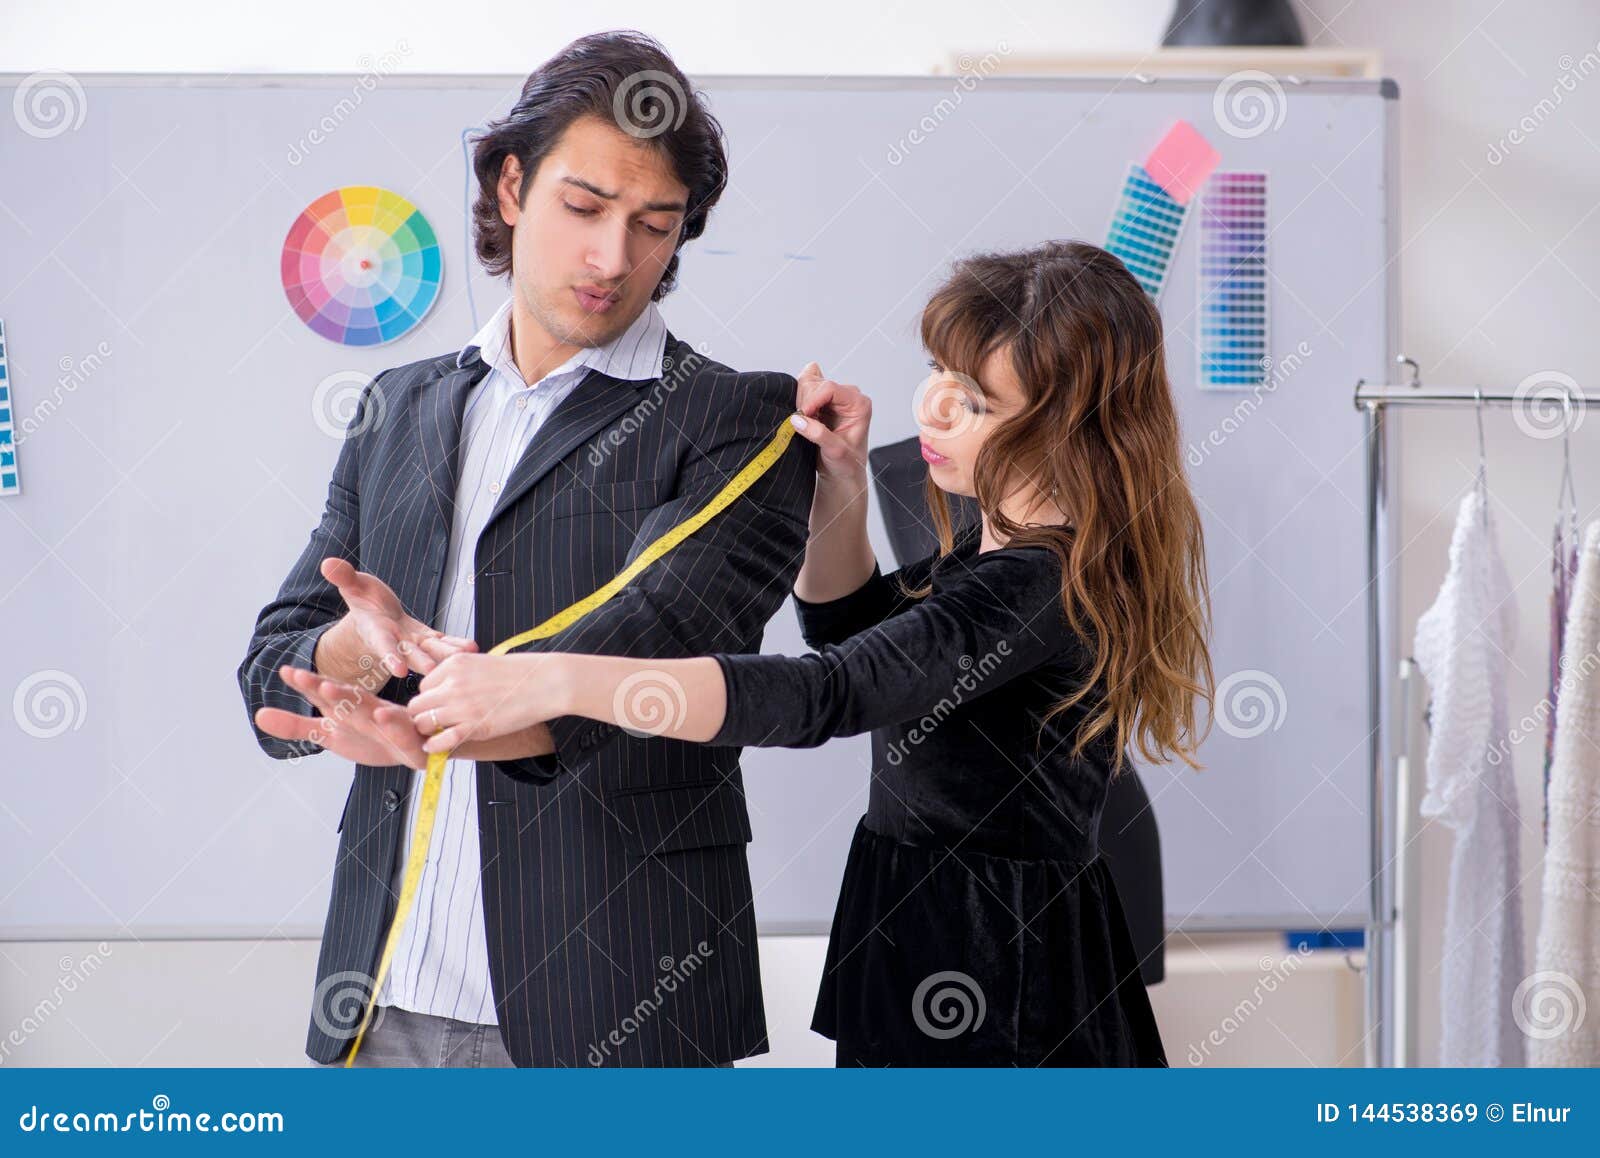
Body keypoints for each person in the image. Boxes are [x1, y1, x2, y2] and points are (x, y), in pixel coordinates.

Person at [281, 240, 1216, 1066]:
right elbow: (855, 634)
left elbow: (827, 694)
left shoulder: (1036, 583)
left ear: (1065, 427)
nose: (931, 413)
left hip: (999, 957)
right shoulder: (995, 542)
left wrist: (552, 677)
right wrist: (841, 486)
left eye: (972, 401)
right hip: (921, 910)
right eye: (939, 376)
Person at [240, 30, 816, 1068]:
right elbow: (272, 670)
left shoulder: (737, 419)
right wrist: (360, 651)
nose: (612, 258)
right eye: (584, 207)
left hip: (619, 997)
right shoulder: (399, 404)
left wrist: (436, 719)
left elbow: (657, 650)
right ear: (511, 186)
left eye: (654, 226)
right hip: (381, 992)